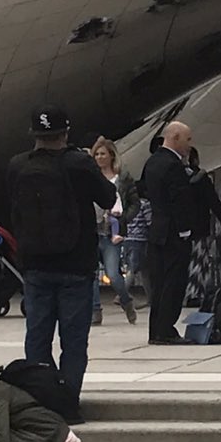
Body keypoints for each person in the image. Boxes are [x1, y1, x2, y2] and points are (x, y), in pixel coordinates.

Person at [5, 107, 114, 415]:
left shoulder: (17, 165)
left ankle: (41, 400)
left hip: (35, 265)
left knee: (37, 338)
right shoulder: (79, 163)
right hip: (75, 264)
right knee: (74, 341)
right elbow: (107, 197)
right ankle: (67, 403)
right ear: (65, 133)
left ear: (34, 136)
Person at [141, 119, 209, 344]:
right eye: (187, 139)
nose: (189, 145)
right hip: (173, 232)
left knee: (159, 283)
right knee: (174, 281)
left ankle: (156, 329)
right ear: (175, 138)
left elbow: (145, 190)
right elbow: (179, 201)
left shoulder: (152, 162)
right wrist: (185, 230)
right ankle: (166, 330)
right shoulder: (173, 165)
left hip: (157, 230)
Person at [89, 137, 137, 326]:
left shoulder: (122, 178)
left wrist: (124, 217)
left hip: (112, 232)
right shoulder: (91, 177)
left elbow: (135, 202)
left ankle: (126, 300)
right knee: (91, 274)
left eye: (103, 154)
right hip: (92, 231)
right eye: (97, 154)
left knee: (113, 274)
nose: (99, 157)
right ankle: (95, 311)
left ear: (111, 156)